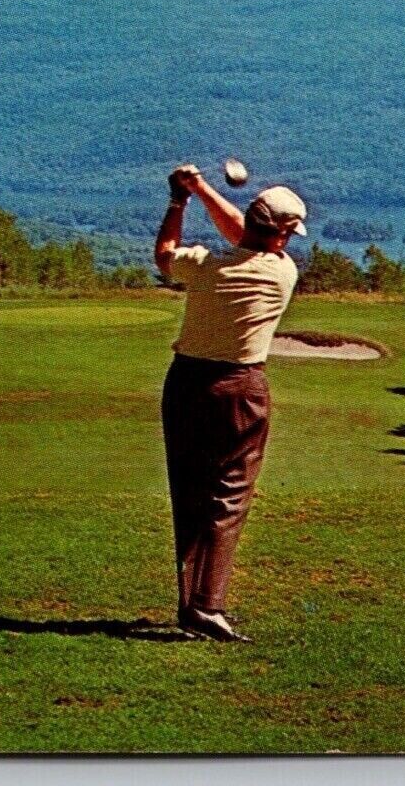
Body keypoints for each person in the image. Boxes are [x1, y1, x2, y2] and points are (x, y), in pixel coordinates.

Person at [153, 164, 307, 643]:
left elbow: (164, 255)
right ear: (282, 235)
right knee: (230, 494)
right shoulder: (283, 271)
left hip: (184, 384)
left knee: (189, 491)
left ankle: (191, 604)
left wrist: (183, 197)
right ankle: (207, 605)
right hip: (241, 387)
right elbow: (248, 235)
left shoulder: (205, 267)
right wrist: (199, 191)